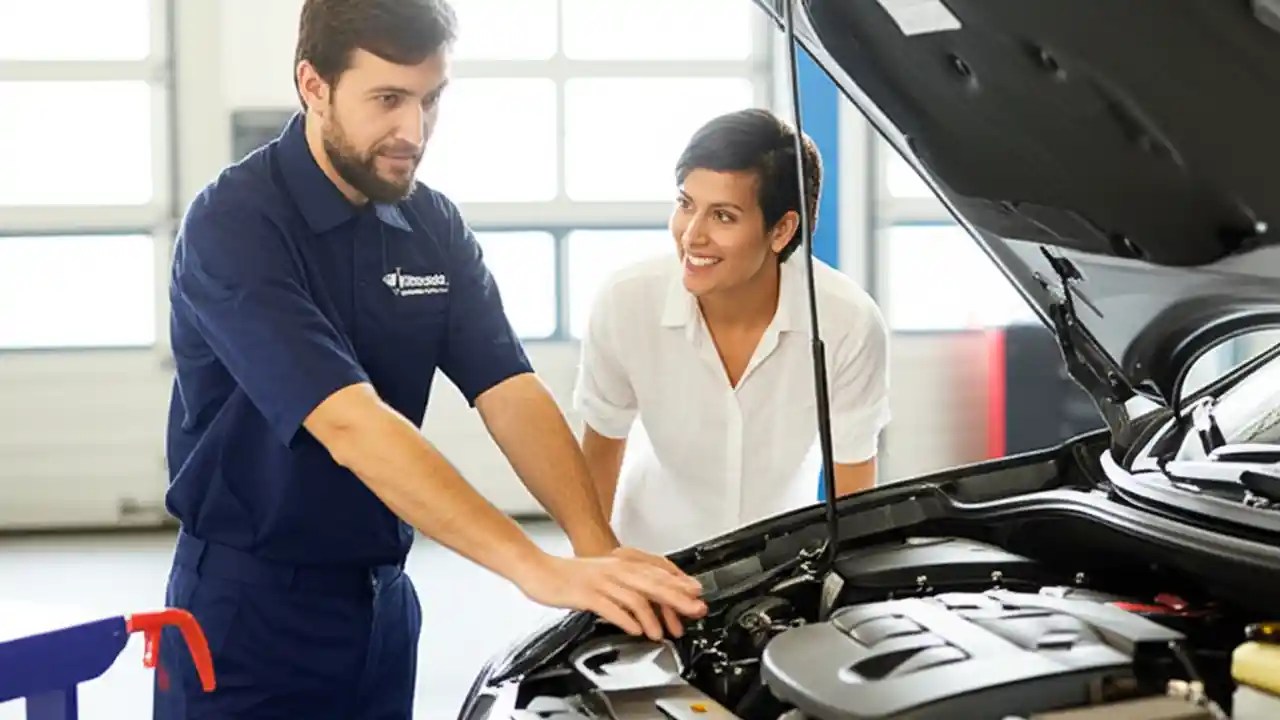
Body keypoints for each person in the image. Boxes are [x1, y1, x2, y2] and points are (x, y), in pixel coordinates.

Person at [153, 0, 705, 716]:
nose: (412, 131)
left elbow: (509, 389)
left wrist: (593, 546)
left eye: (431, 99)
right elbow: (351, 425)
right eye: (387, 99)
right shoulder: (234, 223)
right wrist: (531, 567)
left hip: (383, 604)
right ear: (313, 85)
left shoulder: (429, 223)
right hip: (246, 614)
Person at [573, 108, 892, 556]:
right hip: (648, 559)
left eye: (723, 216)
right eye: (686, 205)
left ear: (781, 229)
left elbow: (853, 488)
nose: (692, 236)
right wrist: (597, 571)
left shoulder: (847, 322)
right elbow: (601, 448)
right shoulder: (625, 302)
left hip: (779, 569)